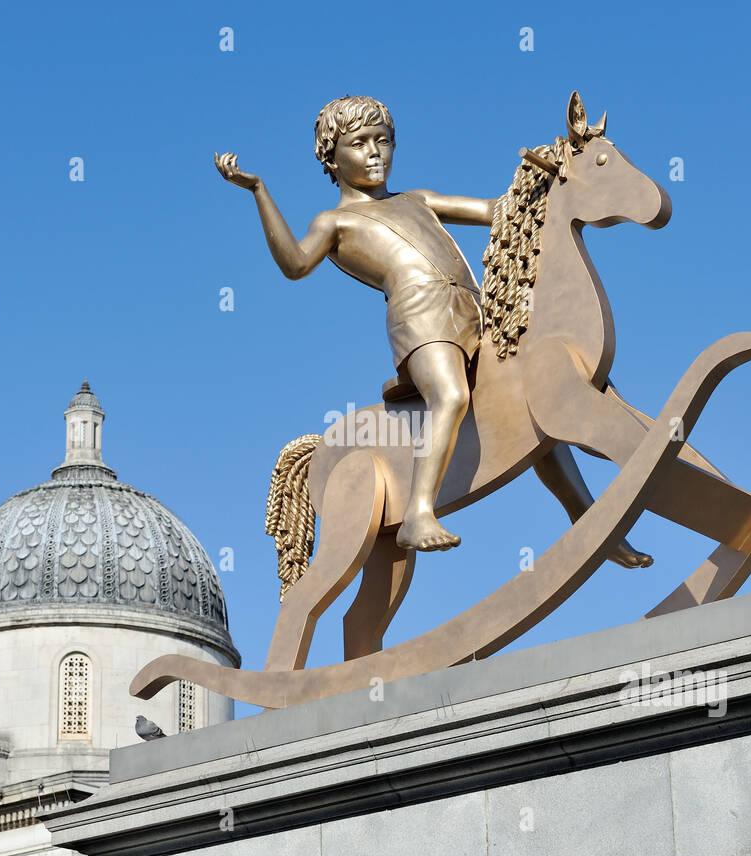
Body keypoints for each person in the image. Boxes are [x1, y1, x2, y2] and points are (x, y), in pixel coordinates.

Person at [215, 95, 651, 567]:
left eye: (383, 140)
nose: (375, 152)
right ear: (331, 158)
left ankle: (589, 520)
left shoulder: (417, 200)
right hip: (419, 315)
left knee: (533, 406)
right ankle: (418, 513)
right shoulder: (334, 221)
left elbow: (495, 211)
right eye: (359, 144)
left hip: (473, 309)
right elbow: (295, 264)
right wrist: (258, 189)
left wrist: (555, 168)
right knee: (450, 396)